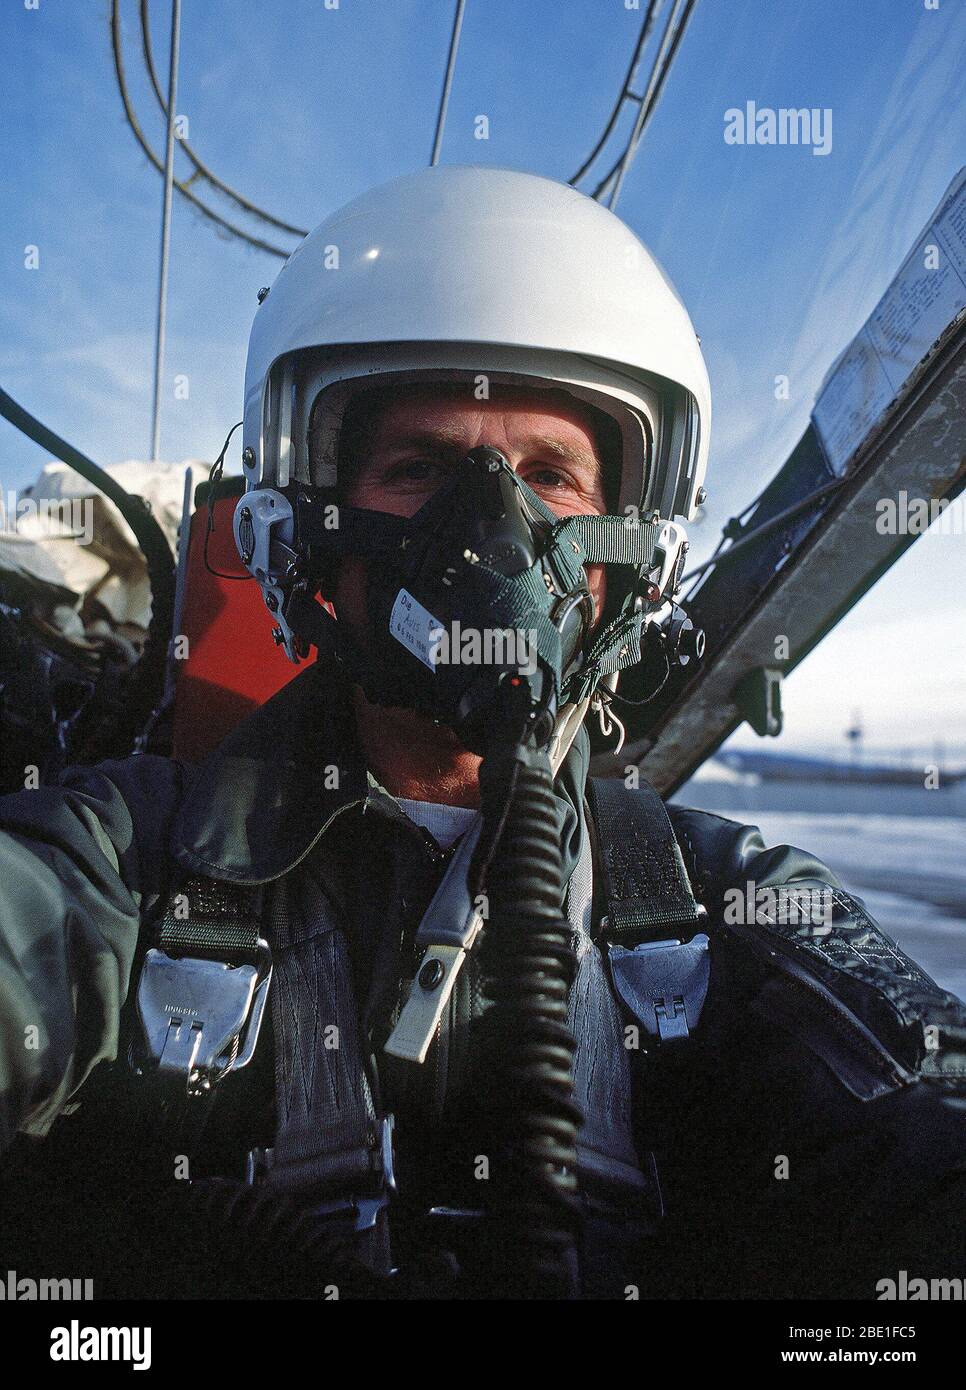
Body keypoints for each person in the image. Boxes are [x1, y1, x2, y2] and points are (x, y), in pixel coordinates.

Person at [0, 167, 963, 1301]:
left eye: (549, 475)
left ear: (628, 558)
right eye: (420, 469)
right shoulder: (124, 857)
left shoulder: (723, 896)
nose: (494, 531)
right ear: (311, 532)